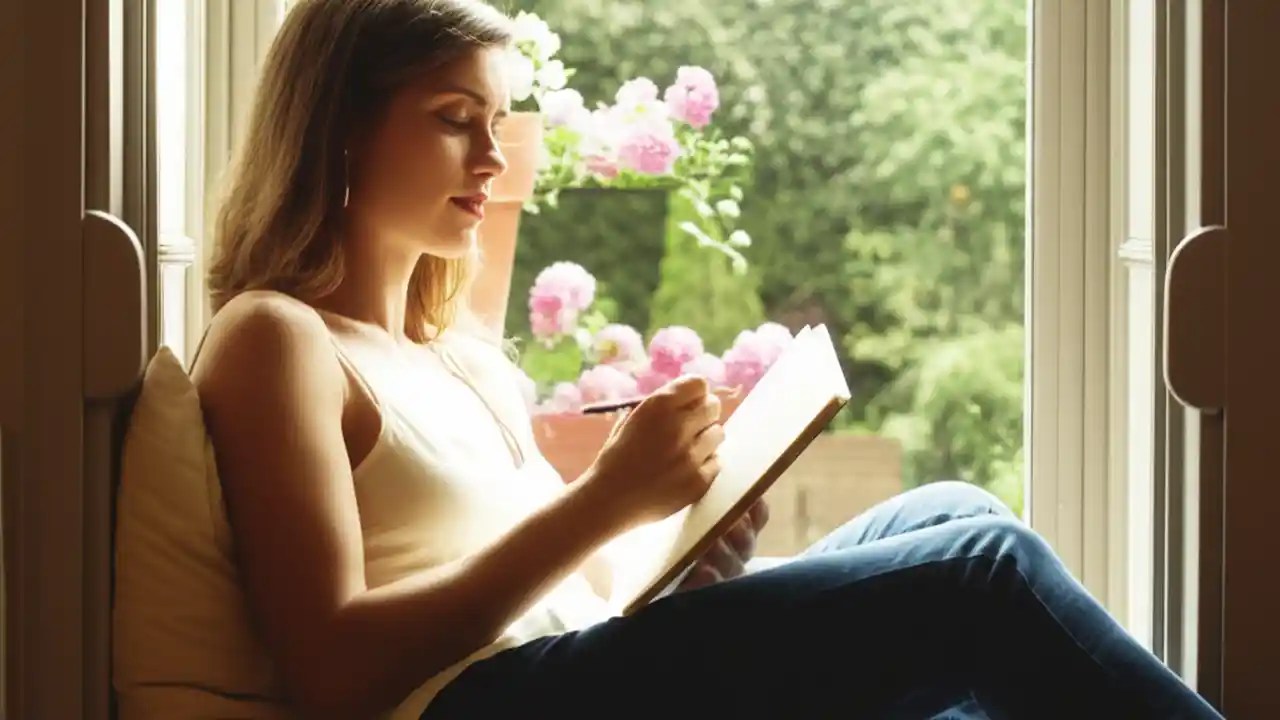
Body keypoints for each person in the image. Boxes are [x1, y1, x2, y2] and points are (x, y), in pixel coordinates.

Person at [173, 1, 1224, 718]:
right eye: (454, 122)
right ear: (339, 133)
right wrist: (606, 500)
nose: (493, 159)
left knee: (956, 512)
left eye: (498, 121)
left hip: (578, 663)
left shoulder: (457, 358)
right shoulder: (278, 338)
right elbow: (331, 670)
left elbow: (567, 584)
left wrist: (684, 550)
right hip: (489, 705)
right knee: (983, 579)